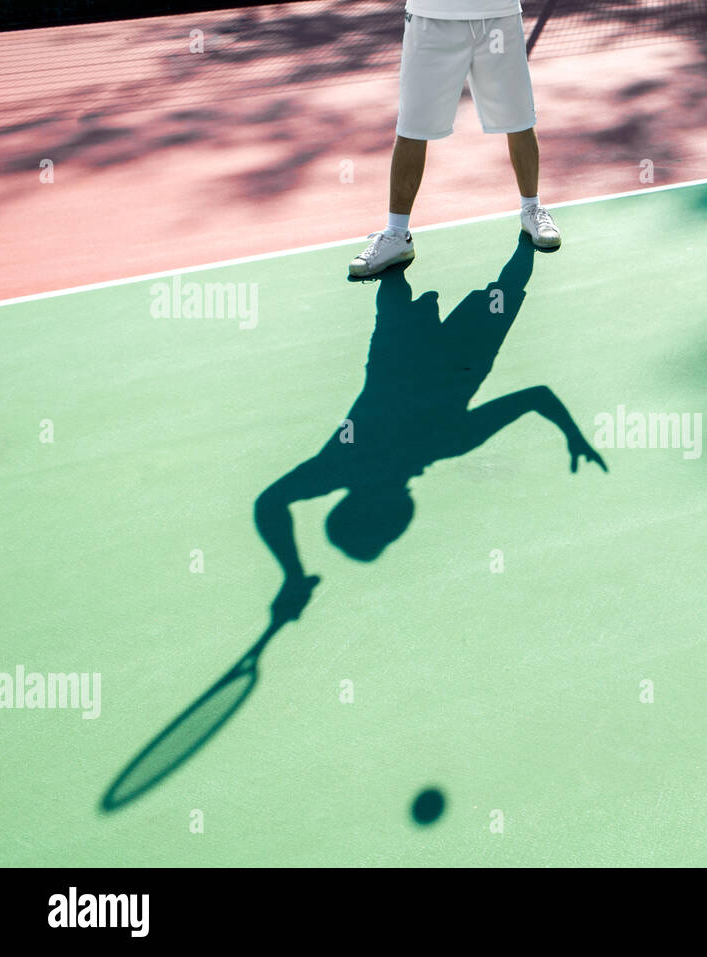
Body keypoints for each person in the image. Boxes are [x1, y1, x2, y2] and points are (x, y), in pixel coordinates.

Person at [264, 238, 606, 623]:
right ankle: (428, 229)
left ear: (390, 515)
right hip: (405, 349)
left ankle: (511, 230)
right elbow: (269, 503)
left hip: (456, 356)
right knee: (395, 277)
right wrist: (291, 572)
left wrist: (572, 435)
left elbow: (536, 398)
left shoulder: (445, 443)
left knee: (505, 288)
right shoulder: (343, 465)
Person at [350, 0, 561, 278]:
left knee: (520, 119)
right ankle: (397, 234)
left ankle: (532, 209)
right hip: (431, 18)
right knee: (412, 127)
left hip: (499, 16)